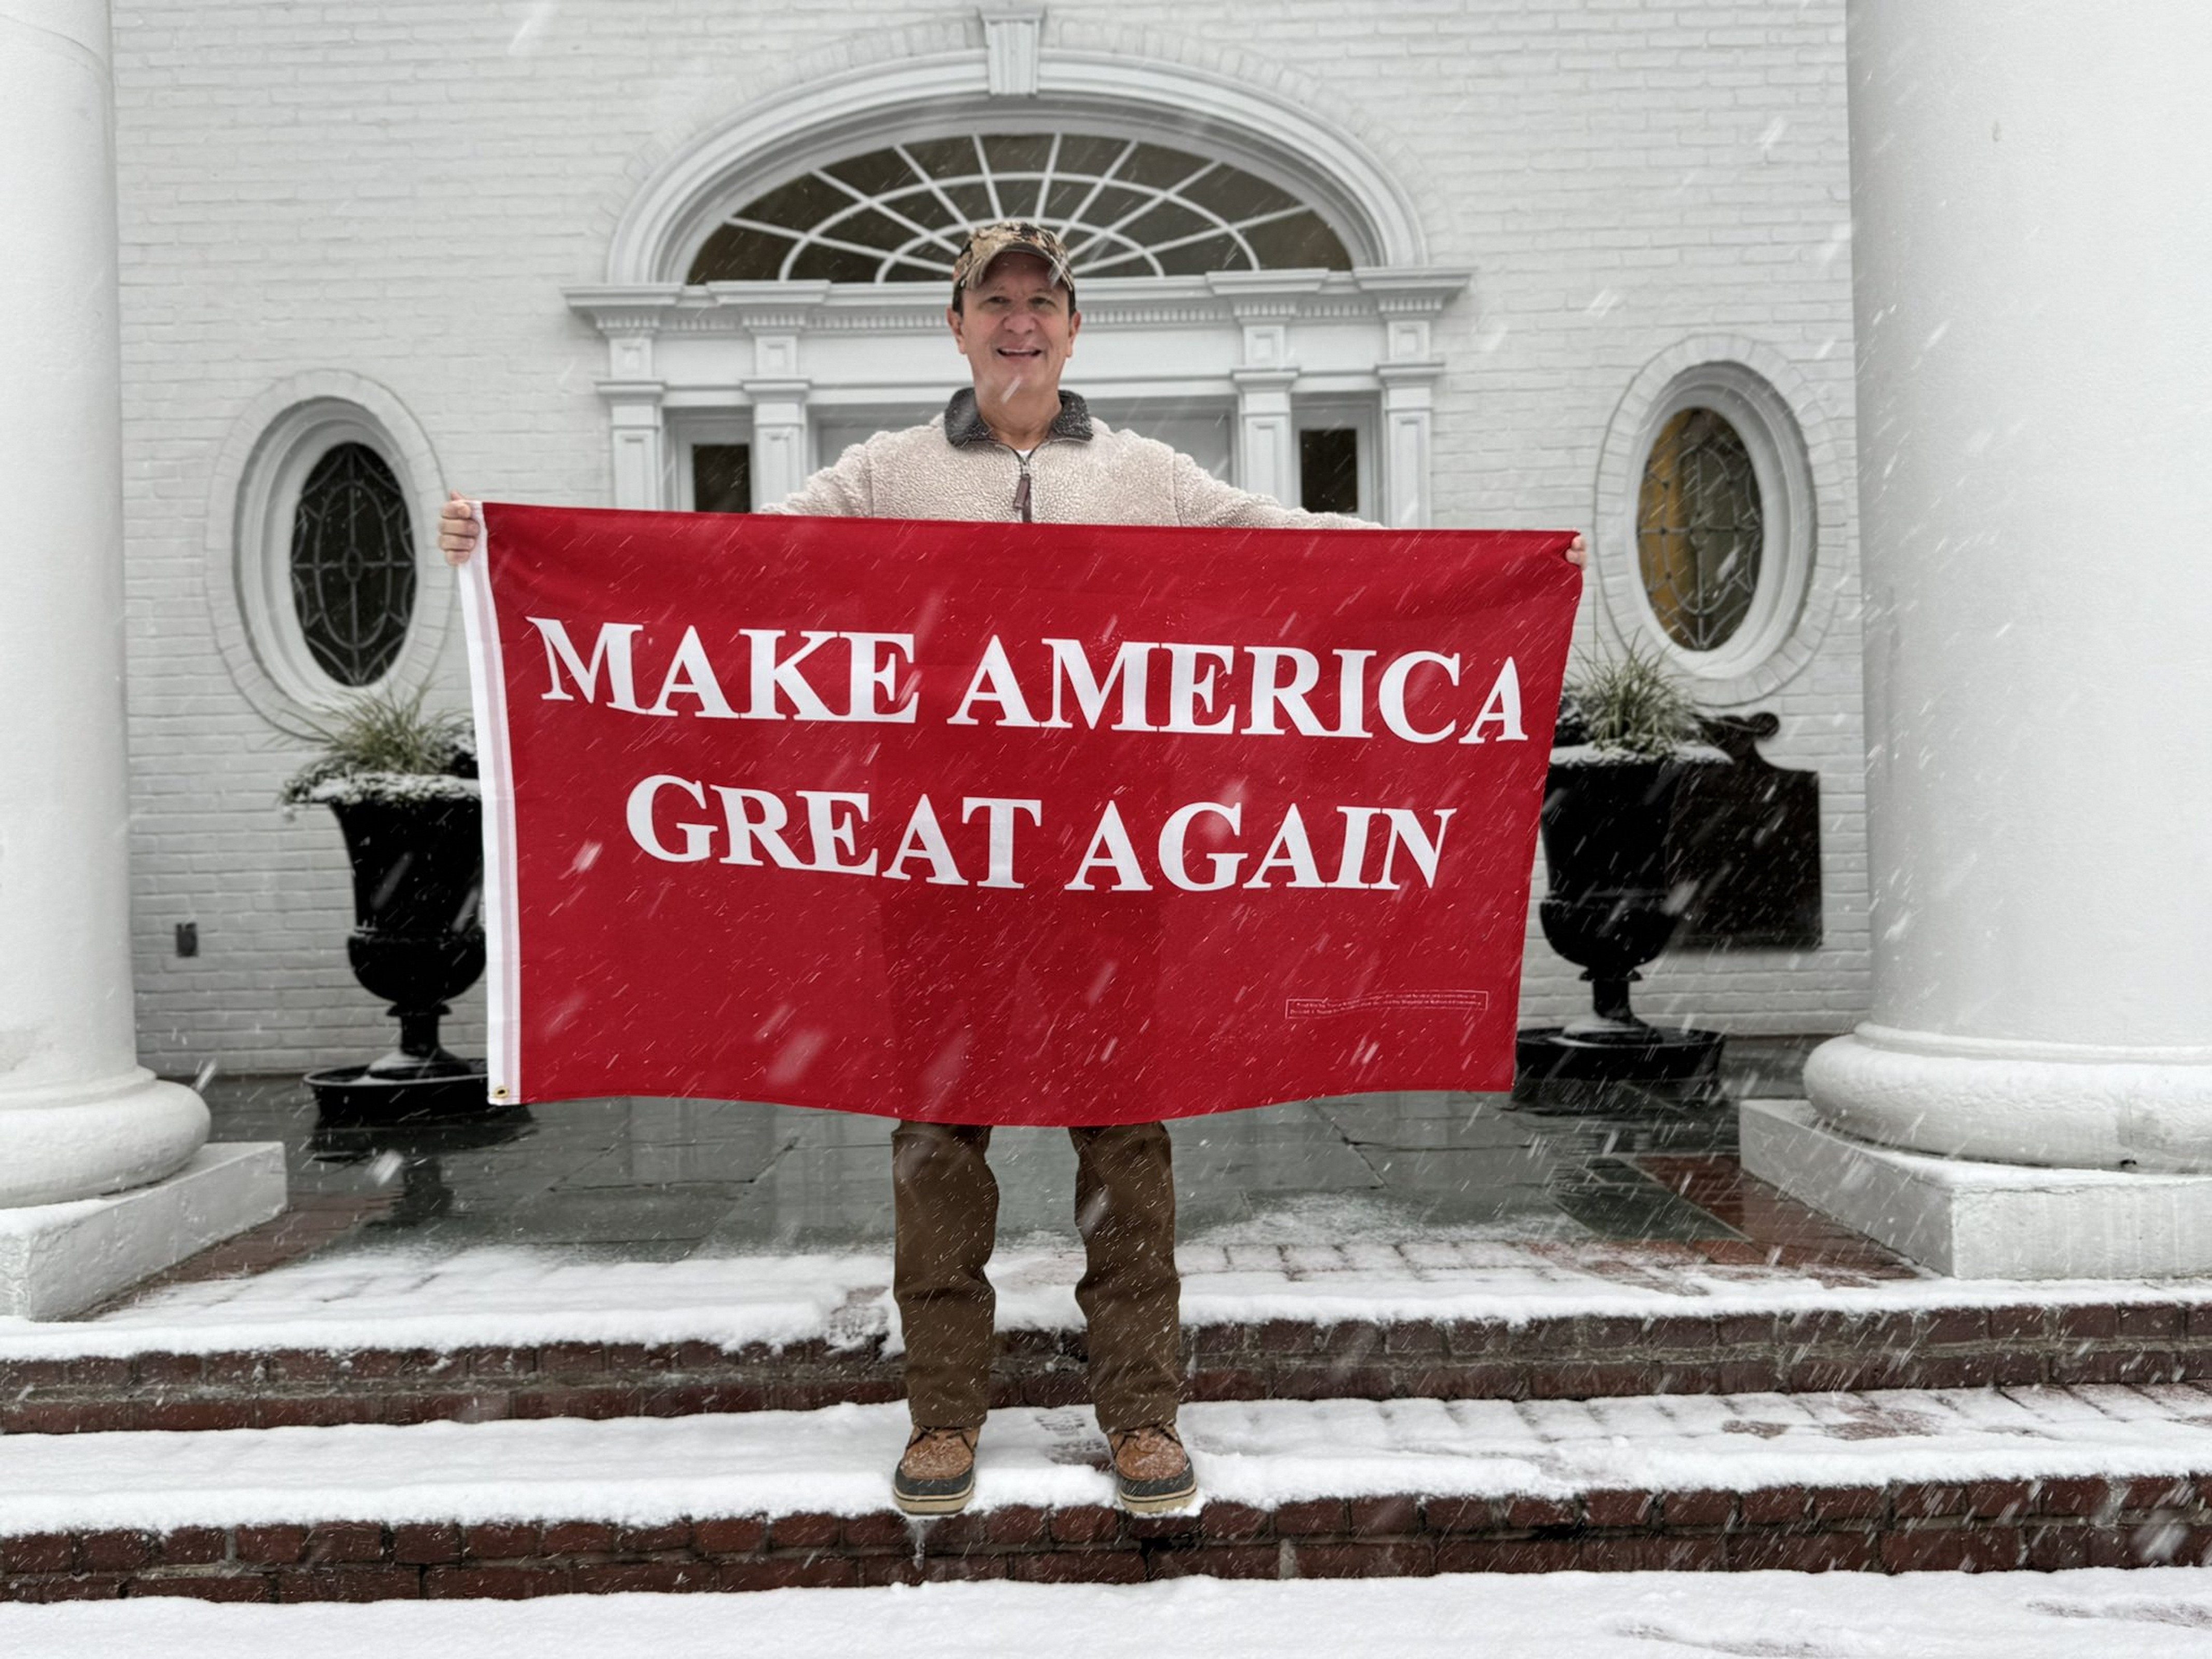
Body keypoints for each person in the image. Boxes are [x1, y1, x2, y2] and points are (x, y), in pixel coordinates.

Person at [441, 220, 1589, 1519]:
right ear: (958, 323)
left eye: (1044, 300)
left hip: (1107, 873)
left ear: (1073, 327)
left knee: (1126, 1138)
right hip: (938, 869)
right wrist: (521, 551)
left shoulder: (1145, 475)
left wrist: (1490, 577)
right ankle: (943, 1415)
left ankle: (1142, 1414)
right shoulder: (886, 474)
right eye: (997, 299)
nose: (1021, 320)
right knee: (937, 1138)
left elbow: (1297, 548)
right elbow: (730, 566)